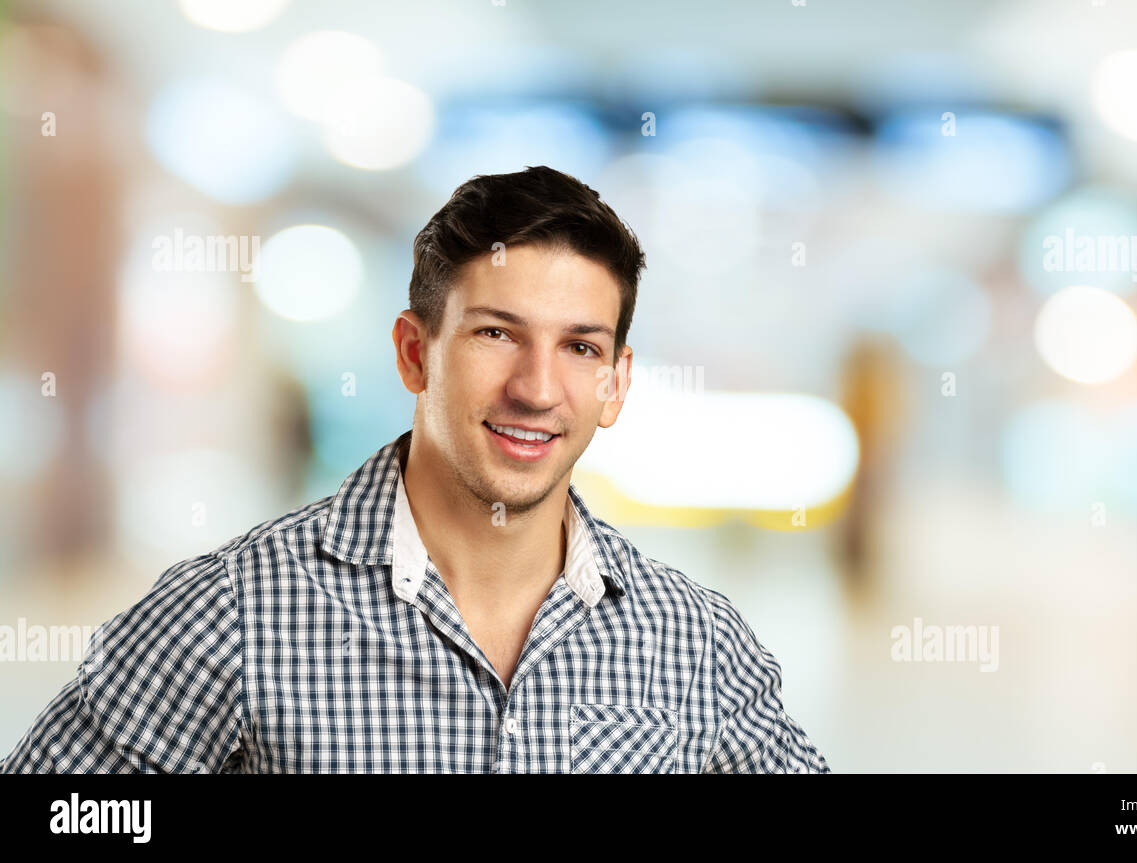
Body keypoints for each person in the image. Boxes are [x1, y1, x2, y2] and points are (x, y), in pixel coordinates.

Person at [1, 165, 831, 774]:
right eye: (496, 333)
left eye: (580, 347)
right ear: (414, 351)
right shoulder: (231, 611)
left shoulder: (696, 644)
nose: (537, 388)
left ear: (615, 384)